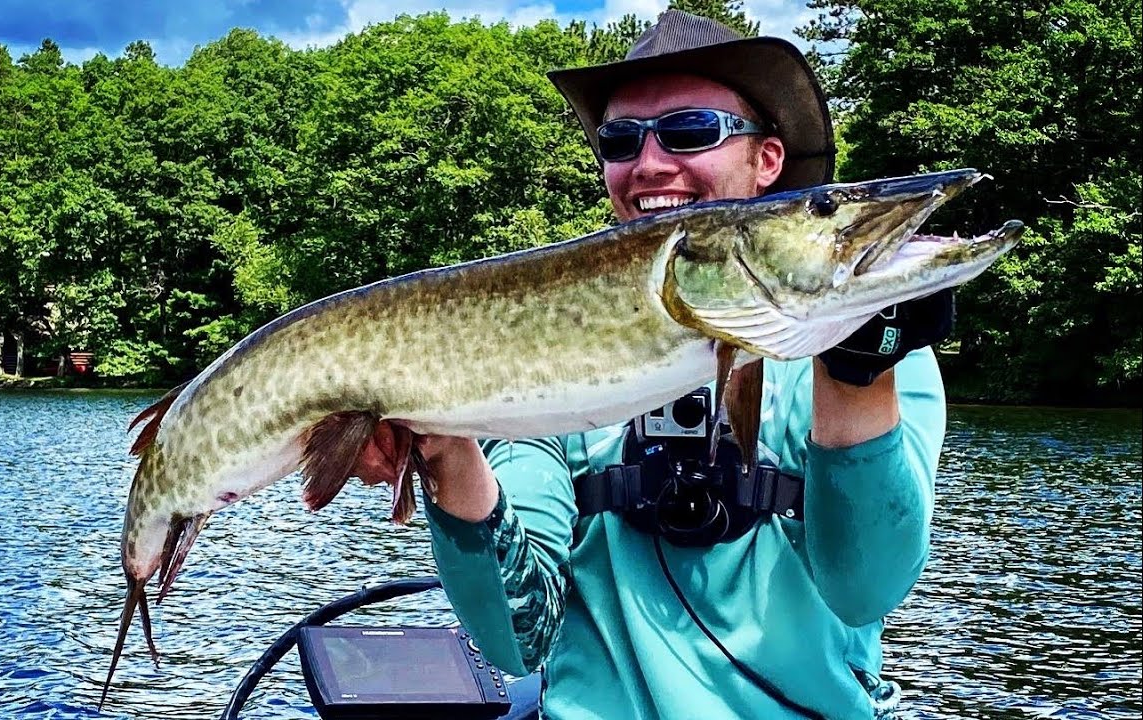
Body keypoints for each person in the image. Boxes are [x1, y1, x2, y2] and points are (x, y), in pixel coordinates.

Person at [354, 9, 952, 719]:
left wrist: (858, 377)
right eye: (619, 140)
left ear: (768, 161)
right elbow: (518, 640)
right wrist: (448, 449)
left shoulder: (889, 363)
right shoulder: (547, 347)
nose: (648, 163)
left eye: (691, 130)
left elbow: (865, 590)